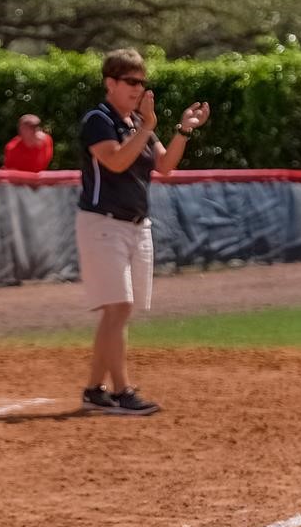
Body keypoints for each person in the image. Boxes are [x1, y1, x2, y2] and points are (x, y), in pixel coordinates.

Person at [76, 48, 209, 417]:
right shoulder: (98, 120)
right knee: (118, 307)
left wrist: (183, 129)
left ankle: (94, 389)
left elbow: (165, 165)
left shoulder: (137, 122)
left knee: (120, 310)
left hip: (136, 225)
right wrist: (147, 127)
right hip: (103, 223)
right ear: (111, 83)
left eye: (141, 82)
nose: (138, 88)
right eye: (131, 81)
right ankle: (121, 391)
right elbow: (116, 160)